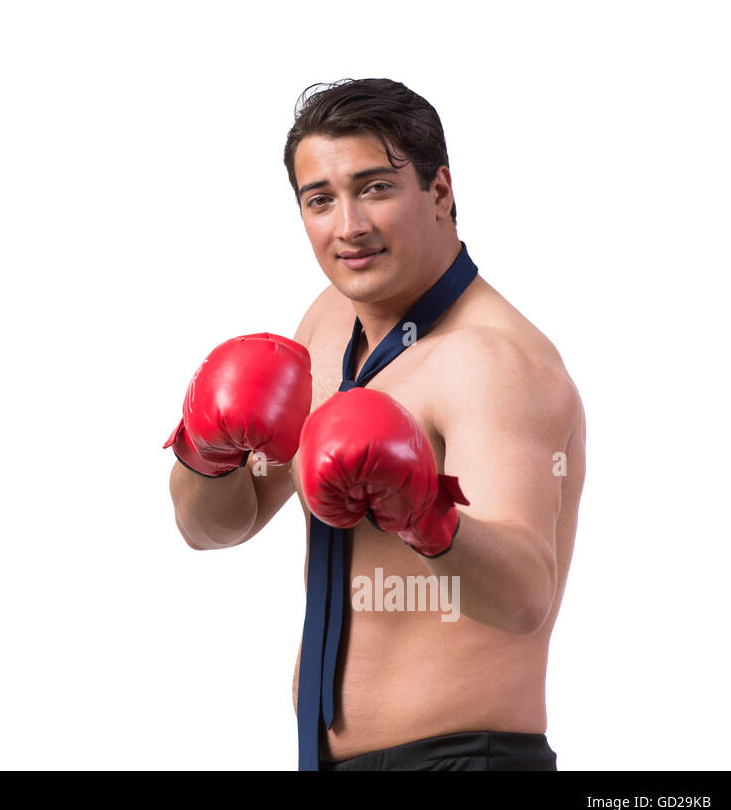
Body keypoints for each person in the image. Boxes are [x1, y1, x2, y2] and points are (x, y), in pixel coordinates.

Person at [164, 78, 585, 770]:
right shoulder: (327, 326)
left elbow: (523, 596)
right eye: (320, 199)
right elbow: (212, 528)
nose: (348, 225)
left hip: (463, 759)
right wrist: (206, 452)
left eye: (376, 188)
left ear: (441, 190)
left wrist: (422, 509)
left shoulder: (495, 362)